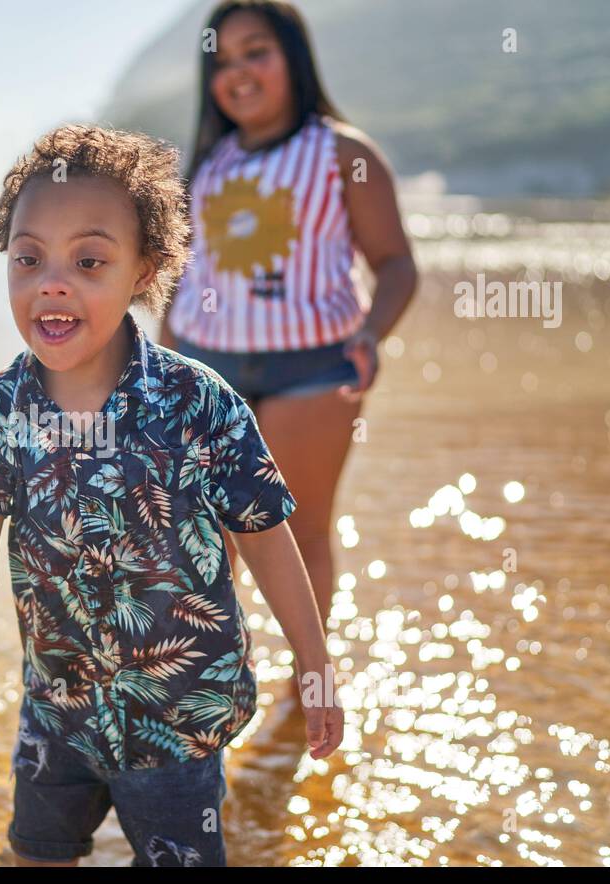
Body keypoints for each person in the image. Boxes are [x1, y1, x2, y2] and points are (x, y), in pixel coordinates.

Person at [0, 123, 344, 867]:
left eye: (88, 260)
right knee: (37, 855)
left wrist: (315, 662)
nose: (52, 281)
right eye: (28, 258)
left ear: (144, 269)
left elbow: (266, 535)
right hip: (58, 721)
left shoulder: (198, 402)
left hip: (179, 723)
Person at [161, 0, 418, 671]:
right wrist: (157, 365)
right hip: (204, 373)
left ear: (293, 60)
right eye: (222, 61)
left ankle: (309, 684)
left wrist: (370, 334)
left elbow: (396, 264)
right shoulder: (208, 164)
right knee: (203, 540)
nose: (238, 73)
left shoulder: (343, 153)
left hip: (314, 372)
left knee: (298, 534)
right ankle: (209, 679)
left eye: (257, 53)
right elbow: (186, 278)